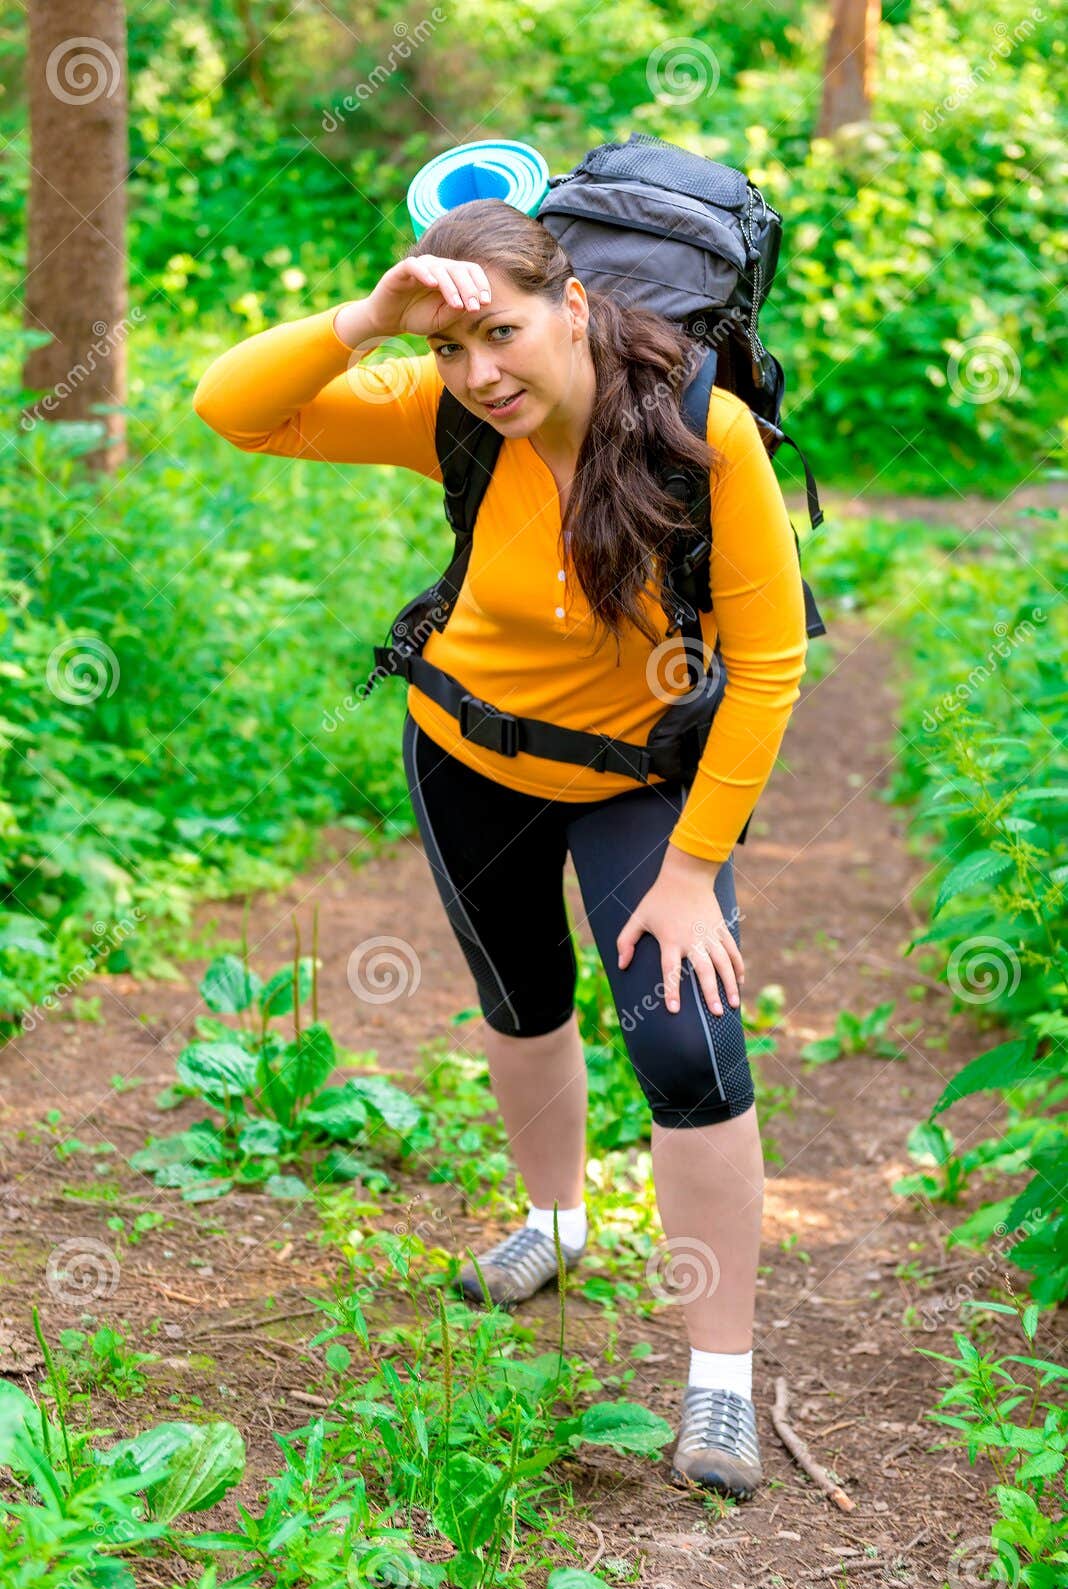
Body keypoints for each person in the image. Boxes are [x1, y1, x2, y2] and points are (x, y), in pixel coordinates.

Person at [192, 198, 809, 1500]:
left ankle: (720, 1377)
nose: (481, 374)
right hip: (467, 753)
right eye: (453, 347)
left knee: (686, 1046)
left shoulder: (701, 433)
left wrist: (693, 871)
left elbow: (767, 665)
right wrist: (370, 320)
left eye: (504, 336)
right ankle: (555, 1223)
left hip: (642, 779)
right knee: (522, 999)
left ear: (573, 308)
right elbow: (231, 409)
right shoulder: (452, 409)